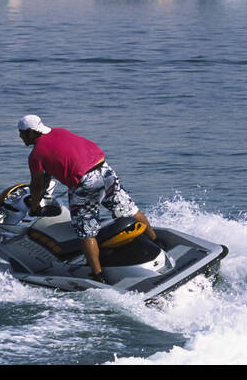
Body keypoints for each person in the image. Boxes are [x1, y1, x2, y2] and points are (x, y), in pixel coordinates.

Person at [15, 114, 157, 284]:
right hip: (105, 171)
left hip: (86, 184)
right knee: (130, 209)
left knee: (85, 230)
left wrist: (35, 206)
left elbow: (36, 185)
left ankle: (97, 275)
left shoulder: (35, 155)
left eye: (22, 133)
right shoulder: (60, 132)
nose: (20, 136)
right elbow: (61, 158)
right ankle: (159, 245)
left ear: (31, 133)